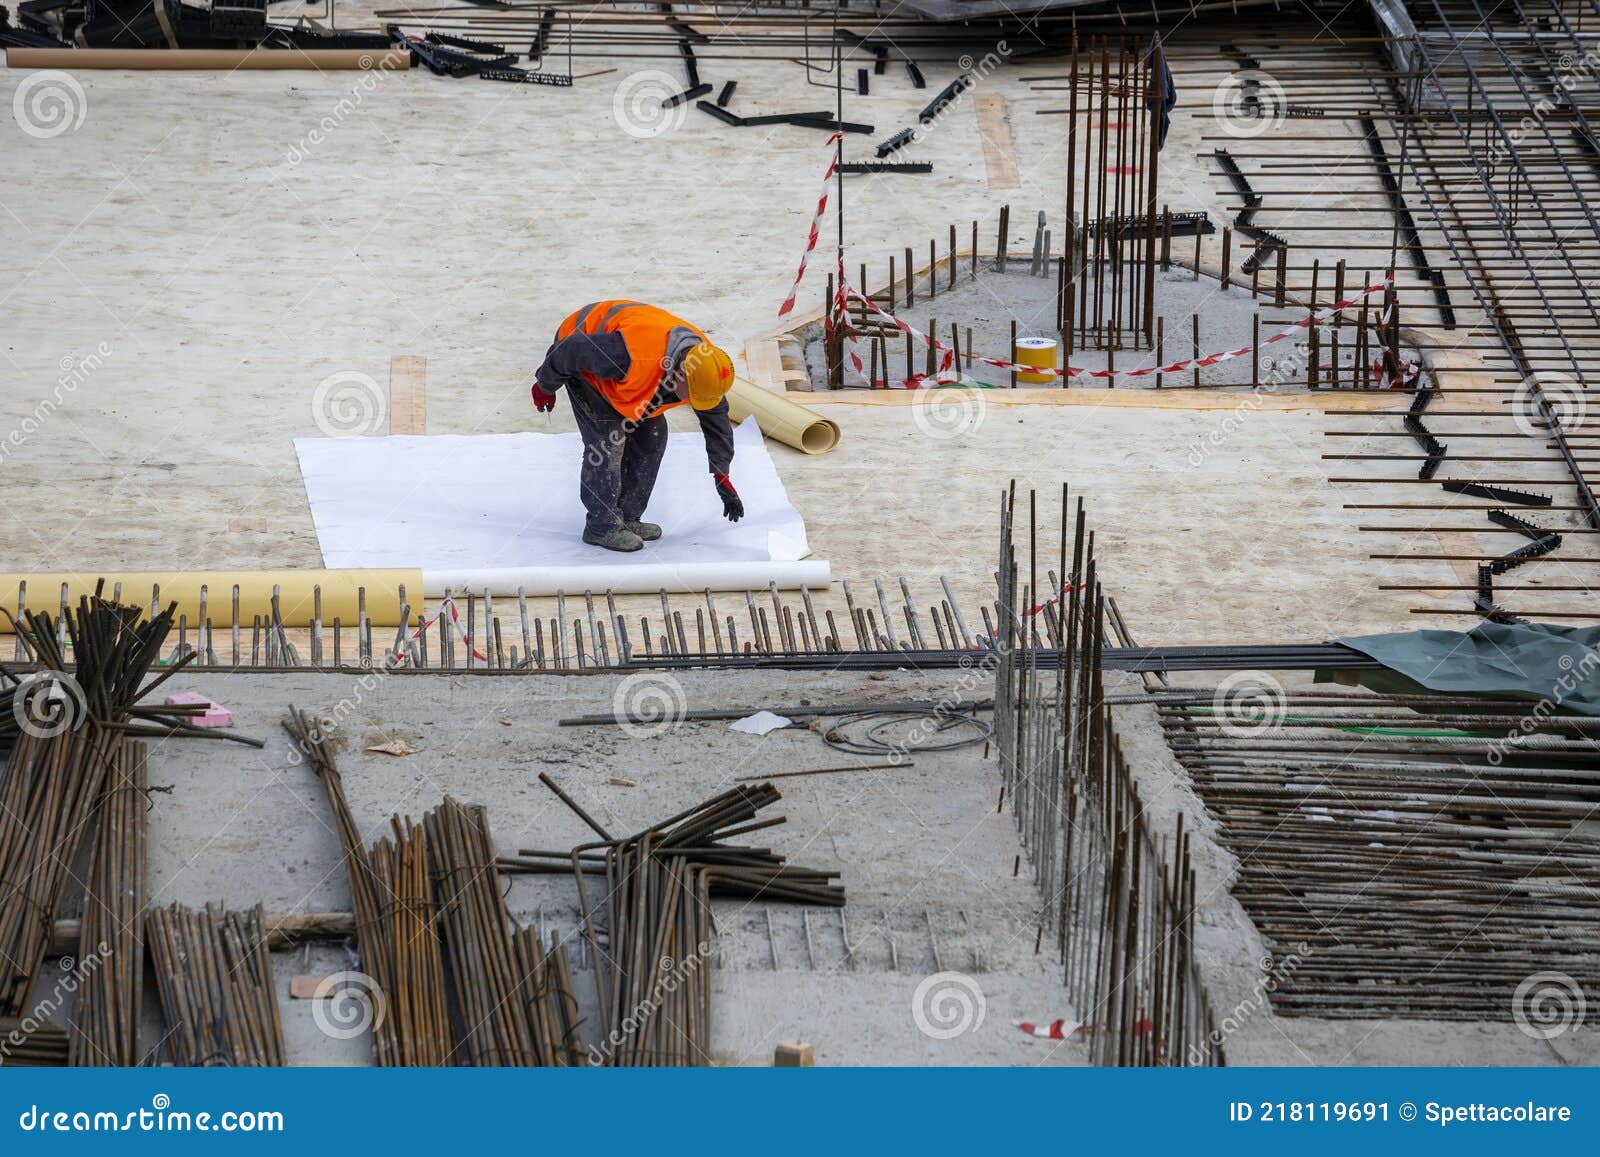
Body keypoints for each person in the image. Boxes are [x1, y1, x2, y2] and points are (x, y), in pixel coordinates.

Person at [532, 300, 744, 552]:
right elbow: (569, 350)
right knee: (609, 440)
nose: (691, 402)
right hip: (579, 343)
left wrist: (721, 474)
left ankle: (627, 517)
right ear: (680, 373)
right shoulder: (627, 355)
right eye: (691, 394)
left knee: (653, 434)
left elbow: (716, 422)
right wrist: (545, 386)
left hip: (630, 366)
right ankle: (602, 526)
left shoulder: (705, 364)